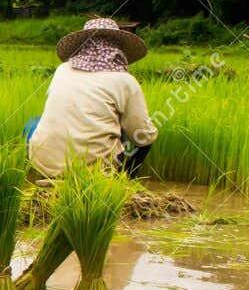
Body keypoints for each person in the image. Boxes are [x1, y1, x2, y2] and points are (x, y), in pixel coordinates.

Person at [26, 17, 156, 177]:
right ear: (117, 47)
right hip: (95, 171)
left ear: (82, 46)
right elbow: (144, 136)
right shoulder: (125, 81)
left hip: (46, 165)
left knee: (33, 124)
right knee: (134, 130)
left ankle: (44, 173)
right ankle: (126, 178)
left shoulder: (62, 70)